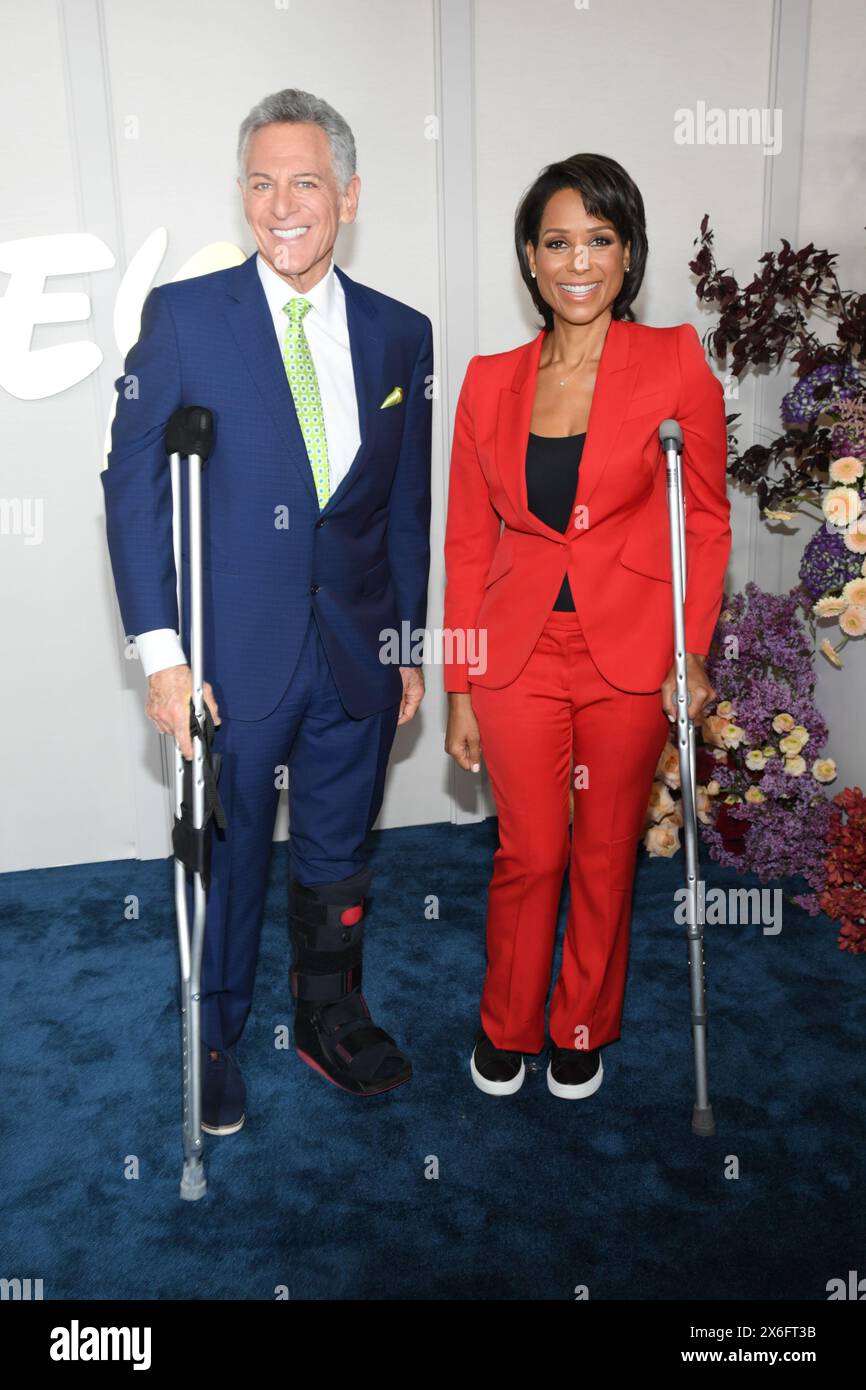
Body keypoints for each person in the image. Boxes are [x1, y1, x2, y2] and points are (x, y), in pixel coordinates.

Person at [101, 88, 432, 1128]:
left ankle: (330, 1012)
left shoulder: (398, 334)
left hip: (355, 653)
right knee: (227, 856)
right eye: (259, 182)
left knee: (339, 848)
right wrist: (160, 653)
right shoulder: (187, 317)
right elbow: (130, 487)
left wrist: (407, 641)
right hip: (226, 661)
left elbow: (406, 504)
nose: (280, 205)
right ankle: (215, 1034)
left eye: (303, 182)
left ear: (347, 192)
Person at [443, 153, 731, 1100]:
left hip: (631, 653)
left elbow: (707, 518)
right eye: (558, 241)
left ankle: (580, 1024)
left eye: (599, 240)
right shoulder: (489, 381)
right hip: (516, 652)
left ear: (629, 253)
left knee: (605, 847)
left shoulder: (673, 360)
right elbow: (465, 540)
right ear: (530, 257)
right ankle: (506, 1021)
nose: (579, 261)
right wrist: (457, 683)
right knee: (530, 849)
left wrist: (690, 654)